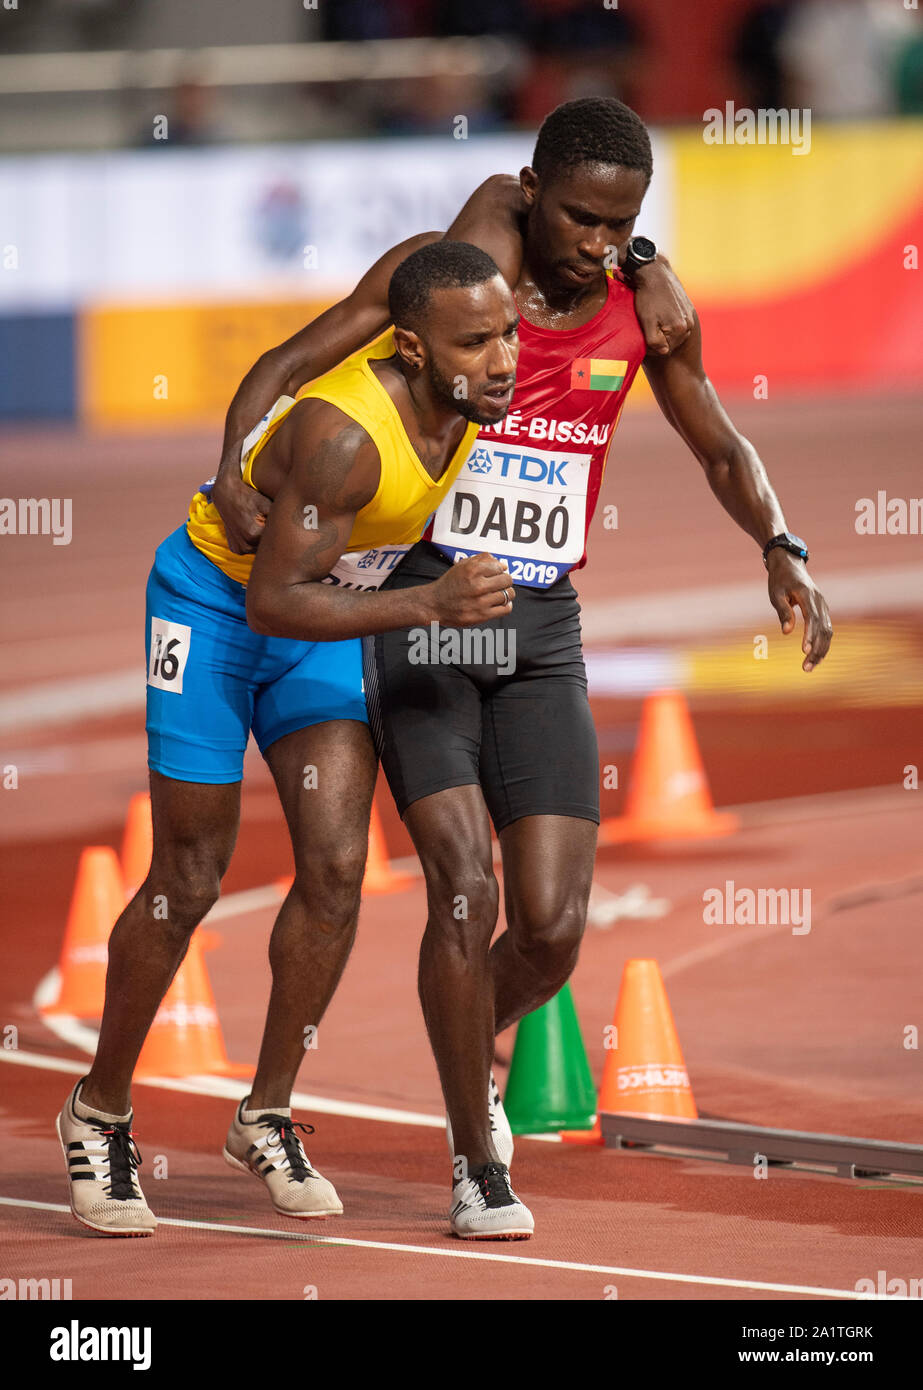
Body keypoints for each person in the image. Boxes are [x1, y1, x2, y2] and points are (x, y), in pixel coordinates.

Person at [226, 99, 834, 1241]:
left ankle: (466, 1033)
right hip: (428, 611)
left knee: (548, 926)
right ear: (528, 194)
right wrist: (235, 468)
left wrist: (780, 543)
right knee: (464, 885)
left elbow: (714, 435)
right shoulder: (476, 283)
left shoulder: (639, 310)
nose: (600, 245)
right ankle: (473, 1156)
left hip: (541, 626)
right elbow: (467, 236)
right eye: (581, 219)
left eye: (625, 225)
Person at [56, 241, 520, 1238]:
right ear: (409, 346)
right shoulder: (345, 438)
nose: (502, 359)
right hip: (218, 612)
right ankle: (98, 1111)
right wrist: (432, 603)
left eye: (508, 334)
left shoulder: (469, 396)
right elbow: (269, 597)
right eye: (476, 342)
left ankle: (265, 1112)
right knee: (189, 873)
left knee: (338, 867)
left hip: (321, 614)